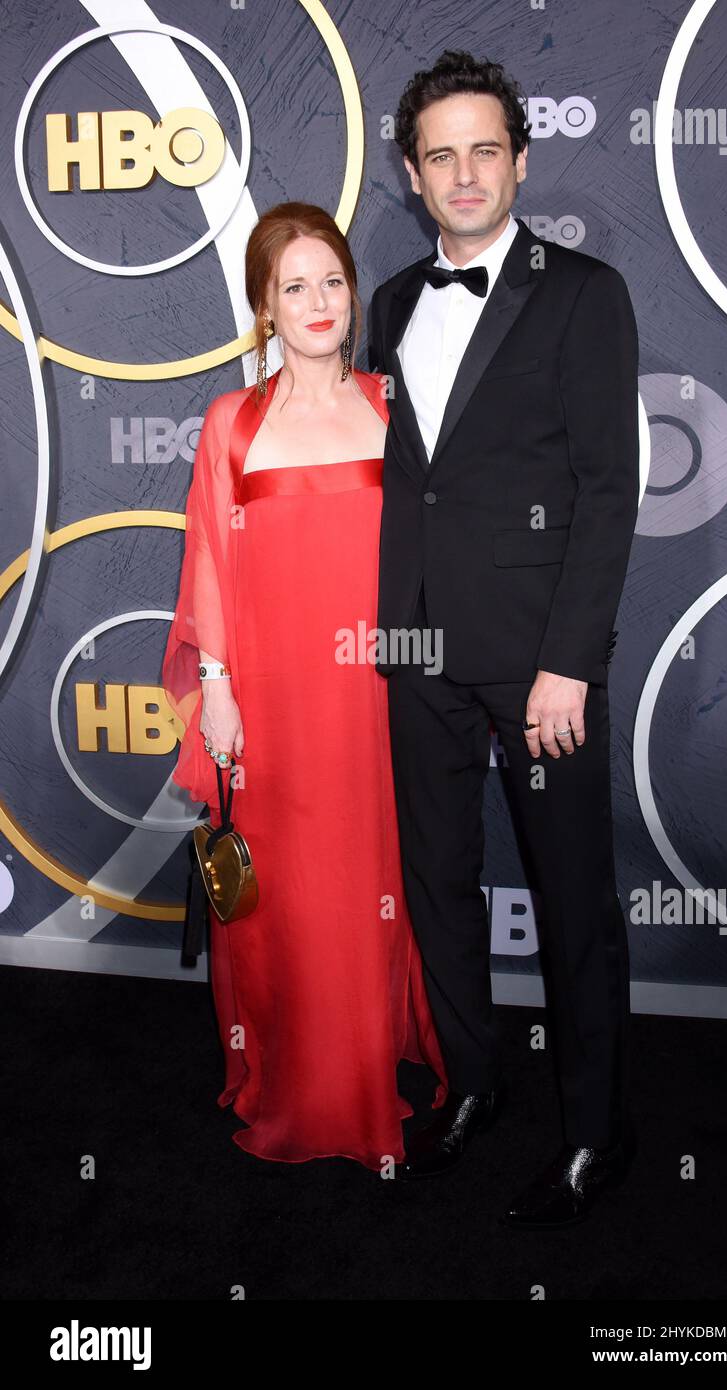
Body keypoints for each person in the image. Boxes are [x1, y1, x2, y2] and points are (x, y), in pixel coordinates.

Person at [368, 50, 640, 1224]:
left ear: (520, 162)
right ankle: (471, 1083)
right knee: (438, 883)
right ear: (414, 175)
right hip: (414, 652)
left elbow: (609, 489)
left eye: (486, 150)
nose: (466, 173)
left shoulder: (583, 292)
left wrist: (569, 662)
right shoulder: (389, 303)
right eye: (442, 156)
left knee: (572, 898)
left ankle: (595, 1134)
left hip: (541, 663)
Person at [162, 202, 448, 1173]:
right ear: (264, 308)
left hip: (376, 699)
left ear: (353, 296)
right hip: (273, 706)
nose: (318, 301)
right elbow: (209, 562)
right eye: (295, 286)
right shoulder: (231, 424)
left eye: (332, 281)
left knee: (373, 891)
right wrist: (217, 687)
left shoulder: (391, 407)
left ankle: (369, 1075)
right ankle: (300, 1081)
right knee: (290, 901)